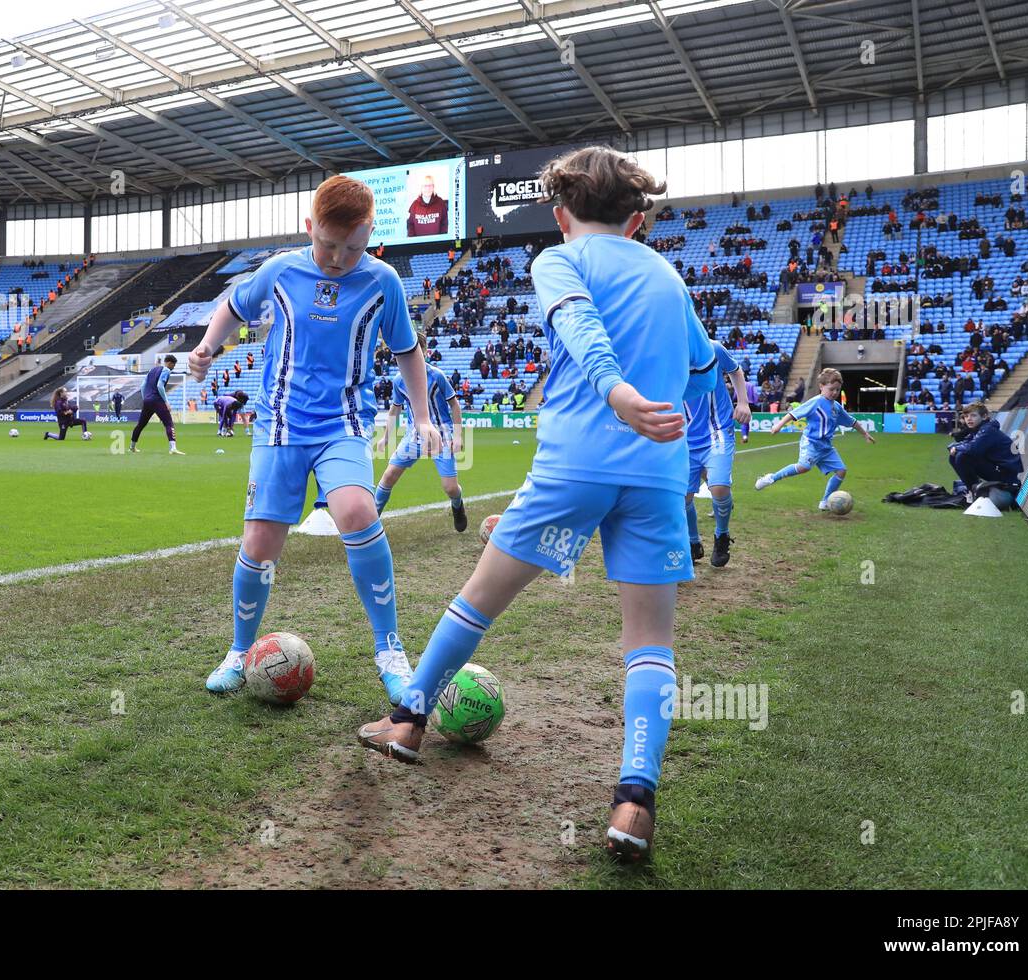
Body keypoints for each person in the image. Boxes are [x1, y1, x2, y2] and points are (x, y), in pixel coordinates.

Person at [354, 145, 718, 864]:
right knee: (650, 644)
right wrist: (684, 452)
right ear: (638, 221)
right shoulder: (671, 276)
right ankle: (634, 801)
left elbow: (580, 327)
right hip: (657, 475)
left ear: (560, 216)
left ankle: (406, 722)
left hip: (575, 465)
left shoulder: (558, 259)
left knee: (479, 600)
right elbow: (705, 371)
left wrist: (616, 393)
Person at [187, 174, 441, 700]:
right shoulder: (281, 271)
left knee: (357, 513)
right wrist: (208, 347)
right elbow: (234, 308)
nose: (337, 257)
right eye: (327, 243)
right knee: (259, 545)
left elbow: (407, 351)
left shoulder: (382, 281)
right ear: (309, 227)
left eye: (352, 247)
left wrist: (421, 417)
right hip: (279, 425)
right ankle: (239, 651)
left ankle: (390, 648)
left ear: (370, 234)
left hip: (342, 425)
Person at [373, 343, 468, 533]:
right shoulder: (399, 380)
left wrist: (457, 436)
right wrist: (385, 438)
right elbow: (395, 409)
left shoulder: (437, 375)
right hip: (414, 436)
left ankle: (457, 505)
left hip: (441, 435)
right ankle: (371, 522)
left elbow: (455, 406)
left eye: (415, 351)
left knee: (450, 488)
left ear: (424, 352)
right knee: (389, 475)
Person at [755, 368, 875, 509]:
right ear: (821, 386)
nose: (835, 392)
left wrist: (865, 434)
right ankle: (771, 478)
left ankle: (825, 502)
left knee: (841, 471)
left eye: (837, 389)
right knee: (804, 467)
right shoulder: (815, 402)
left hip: (826, 447)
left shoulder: (837, 407)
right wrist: (779, 425)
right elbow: (794, 414)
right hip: (811, 442)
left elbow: (852, 421)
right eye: (831, 389)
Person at [685, 340, 751, 567]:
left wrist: (742, 402)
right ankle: (693, 542)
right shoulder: (664, 352)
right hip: (682, 436)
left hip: (718, 429)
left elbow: (735, 370)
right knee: (682, 497)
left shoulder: (712, 348)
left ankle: (721, 536)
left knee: (719, 487)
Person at [949, 401, 1022, 505]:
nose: (969, 419)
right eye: (966, 416)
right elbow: (964, 444)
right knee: (955, 456)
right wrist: (955, 447)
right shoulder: (978, 429)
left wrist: (957, 448)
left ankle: (975, 493)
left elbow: (973, 449)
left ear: (984, 417)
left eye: (973, 415)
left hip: (1006, 476)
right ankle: (973, 490)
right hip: (997, 469)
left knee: (962, 456)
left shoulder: (988, 430)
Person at [129, 355, 185, 455]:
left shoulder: (152, 370)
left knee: (141, 425)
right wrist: (166, 401)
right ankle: (173, 448)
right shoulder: (166, 370)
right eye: (173, 365)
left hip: (147, 400)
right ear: (169, 363)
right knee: (168, 423)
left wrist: (145, 398)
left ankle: (132, 447)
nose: (173, 367)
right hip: (157, 400)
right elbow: (160, 385)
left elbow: (143, 386)